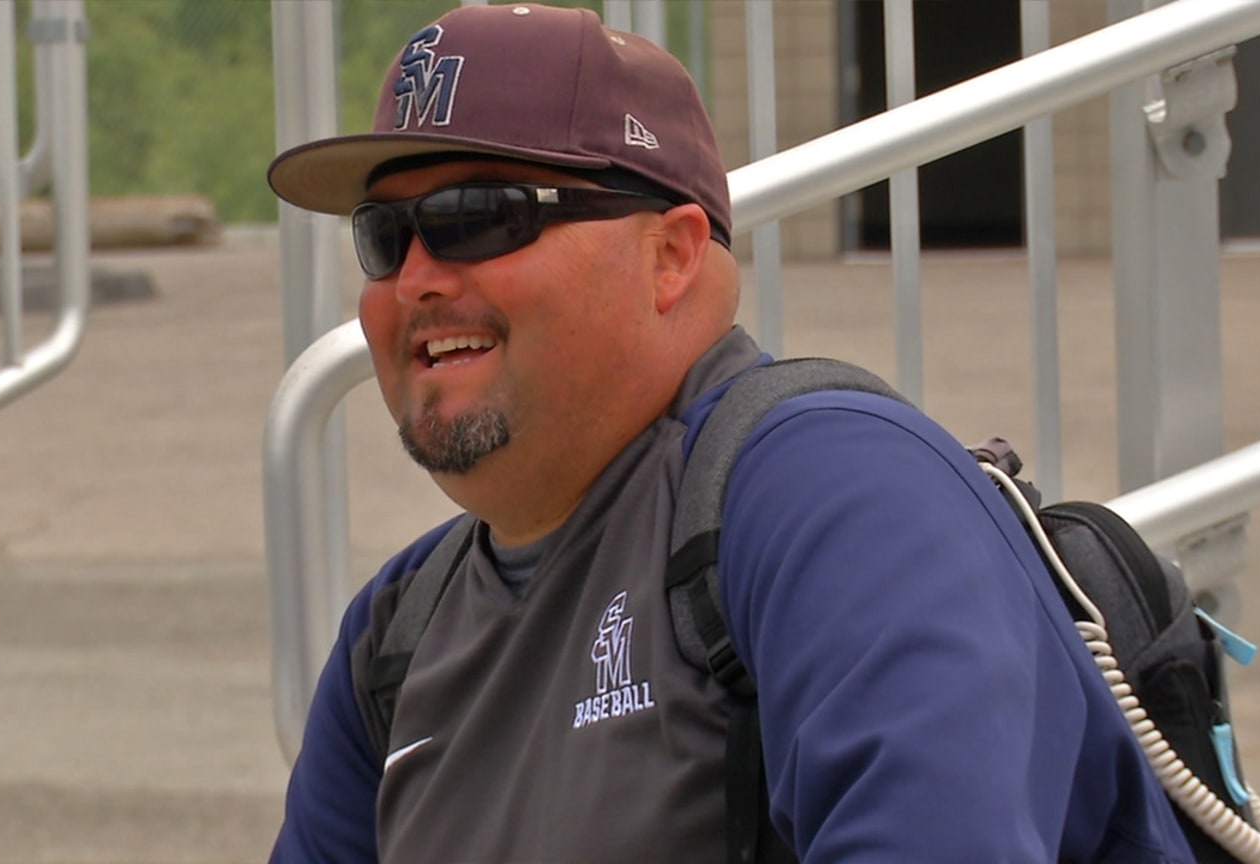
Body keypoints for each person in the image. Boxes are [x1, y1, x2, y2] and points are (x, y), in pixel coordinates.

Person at [264, 4, 1195, 862]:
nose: (417, 278)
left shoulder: (835, 497)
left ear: (669, 256)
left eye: (477, 219)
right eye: (385, 236)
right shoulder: (398, 632)